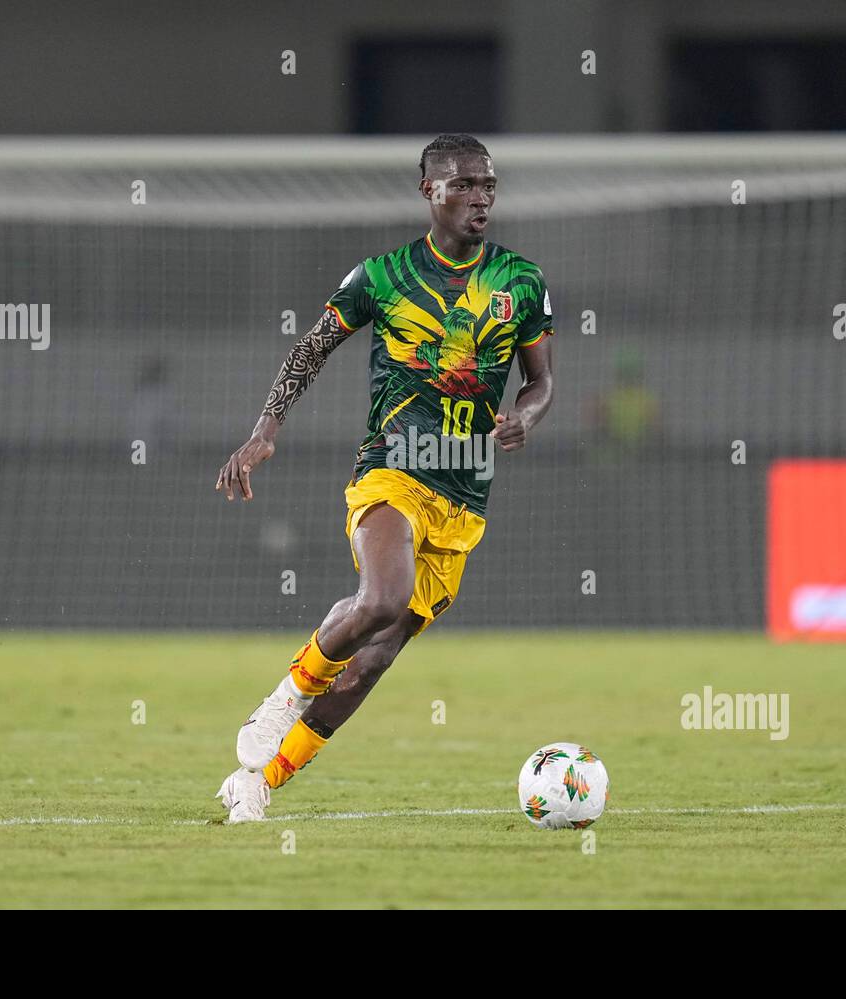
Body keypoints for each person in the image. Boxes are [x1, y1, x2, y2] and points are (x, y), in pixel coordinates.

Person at [215, 133, 555, 821]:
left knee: (374, 659)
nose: (479, 197)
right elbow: (311, 349)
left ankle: (261, 781)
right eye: (461, 184)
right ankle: (282, 699)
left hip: (465, 491)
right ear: (428, 190)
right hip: (391, 470)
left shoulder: (521, 282)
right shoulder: (380, 276)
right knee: (383, 596)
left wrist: (527, 415)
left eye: (488, 184)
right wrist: (264, 430)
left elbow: (542, 382)